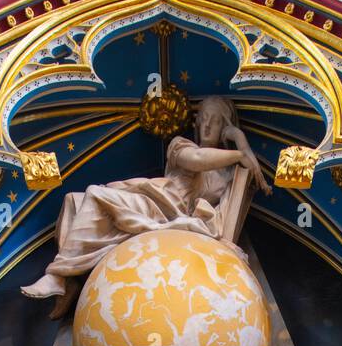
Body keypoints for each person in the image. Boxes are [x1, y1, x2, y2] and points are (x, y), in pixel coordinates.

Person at [21, 95, 270, 314]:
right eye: (202, 117)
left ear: (225, 127)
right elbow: (196, 159)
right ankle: (70, 278)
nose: (206, 124)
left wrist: (238, 140)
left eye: (215, 120)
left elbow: (229, 216)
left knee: (95, 194)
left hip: (170, 215)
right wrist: (241, 152)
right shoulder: (181, 144)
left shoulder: (228, 177)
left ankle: (59, 275)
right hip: (155, 203)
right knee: (72, 201)